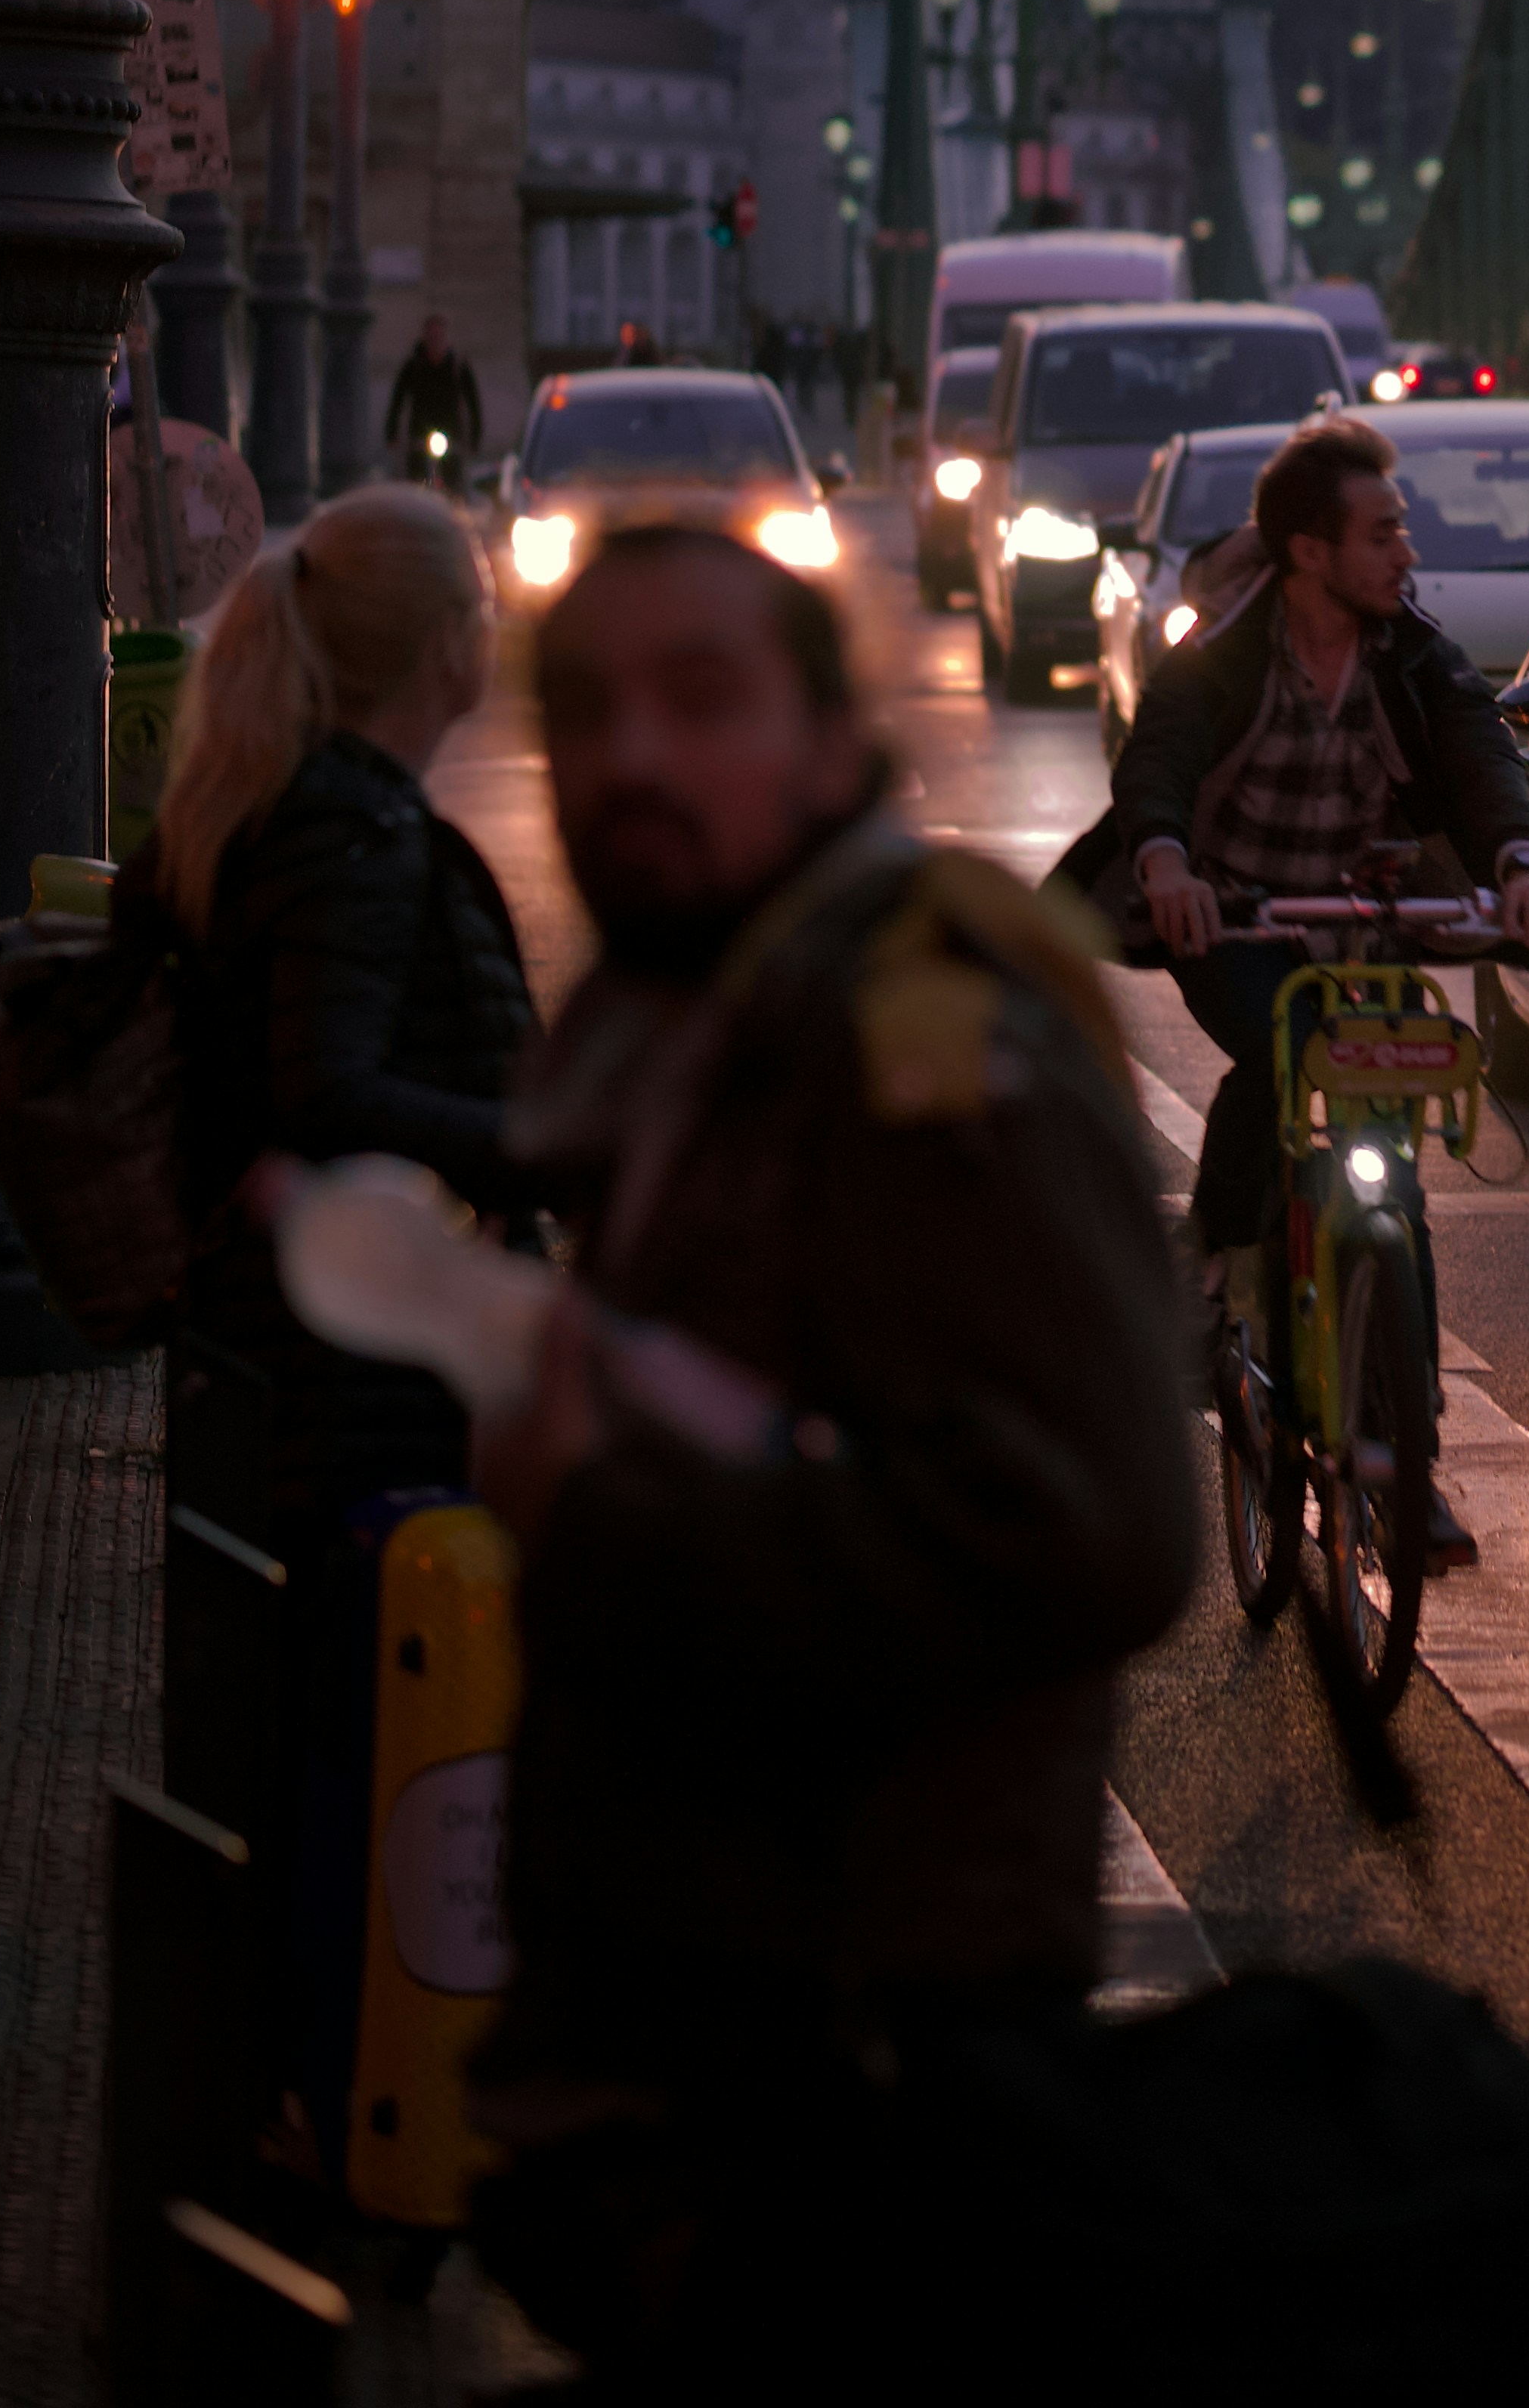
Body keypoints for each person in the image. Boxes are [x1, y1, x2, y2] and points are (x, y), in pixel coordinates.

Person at [468, 525, 1195, 2382]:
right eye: (583, 713)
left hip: (855, 2097)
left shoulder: (920, 1026)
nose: (629, 757)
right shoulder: (728, 1001)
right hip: (715, 2073)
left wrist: (600, 1519)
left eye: (701, 700)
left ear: (824, 733)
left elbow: (1091, 1526)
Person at [1096, 413, 1529, 1570]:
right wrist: (1164, 862)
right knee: (1281, 1051)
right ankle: (1219, 1272)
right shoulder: (1230, 653)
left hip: (1365, 916)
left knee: (1391, 1161)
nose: (1405, 554)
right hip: (1239, 918)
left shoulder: (1409, 649)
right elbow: (1159, 750)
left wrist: (1520, 865)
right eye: (1382, 533)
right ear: (1311, 553)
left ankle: (1411, 1457)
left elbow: (1477, 748)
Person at [149, 484, 540, 1571]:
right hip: (355, 1375)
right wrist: (533, 1147)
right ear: (451, 644)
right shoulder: (353, 836)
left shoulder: (290, 808)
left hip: (295, 1358)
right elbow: (325, 1084)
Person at [382, 308, 484, 492]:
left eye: (439, 338)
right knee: (417, 484)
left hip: (452, 436)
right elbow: (397, 401)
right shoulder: (413, 366)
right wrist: (392, 434)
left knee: (454, 486)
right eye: (431, 339)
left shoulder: (458, 367)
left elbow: (473, 404)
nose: (435, 344)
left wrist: (474, 439)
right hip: (419, 437)